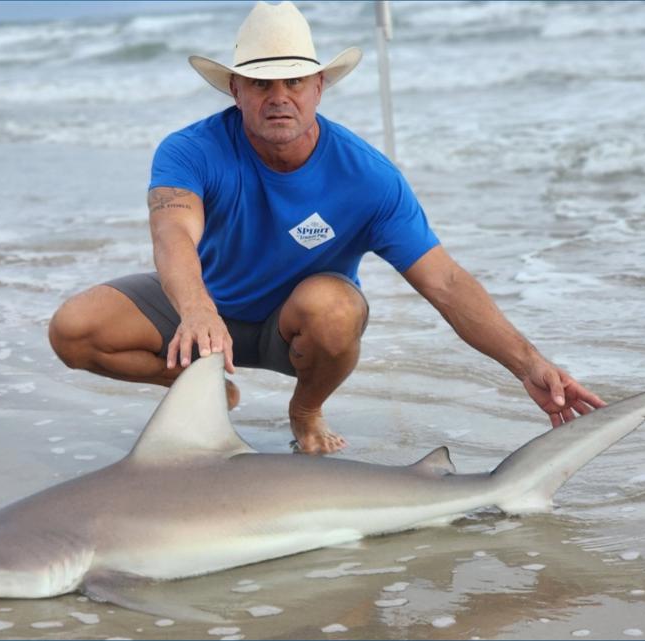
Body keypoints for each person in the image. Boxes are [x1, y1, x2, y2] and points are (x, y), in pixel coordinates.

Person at [49, 1, 606, 454]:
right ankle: (207, 389)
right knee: (73, 330)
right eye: (261, 84)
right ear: (235, 90)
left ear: (319, 86)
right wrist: (196, 311)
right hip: (205, 313)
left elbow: (447, 283)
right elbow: (173, 234)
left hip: (295, 328)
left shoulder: (367, 177)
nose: (279, 98)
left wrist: (530, 366)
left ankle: (307, 409)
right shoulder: (190, 150)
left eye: (294, 82)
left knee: (335, 309)